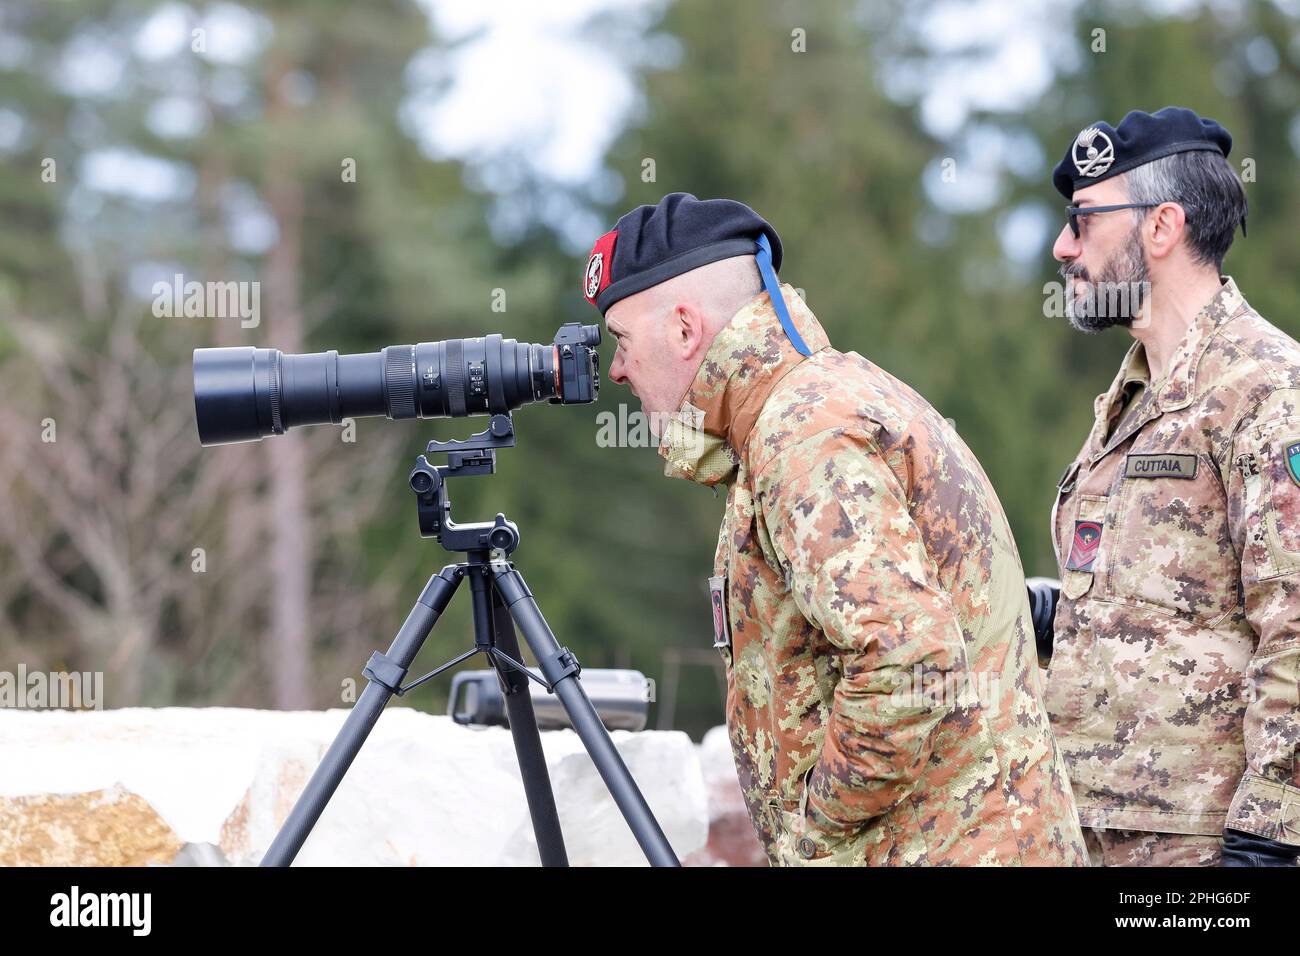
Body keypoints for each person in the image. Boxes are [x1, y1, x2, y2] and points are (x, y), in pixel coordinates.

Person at [585, 192, 1086, 865]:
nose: (616, 368)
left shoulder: (806, 433)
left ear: (682, 330)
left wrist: (814, 841)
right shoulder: (795, 417)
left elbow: (906, 660)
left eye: (622, 338)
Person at [1045, 106, 1300, 866]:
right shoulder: (1133, 399)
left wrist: (1270, 838)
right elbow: (1168, 611)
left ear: (1161, 228)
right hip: (1091, 836)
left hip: (1202, 854)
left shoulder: (1265, 391)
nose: (1063, 248)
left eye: (1082, 221)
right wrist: (1052, 615)